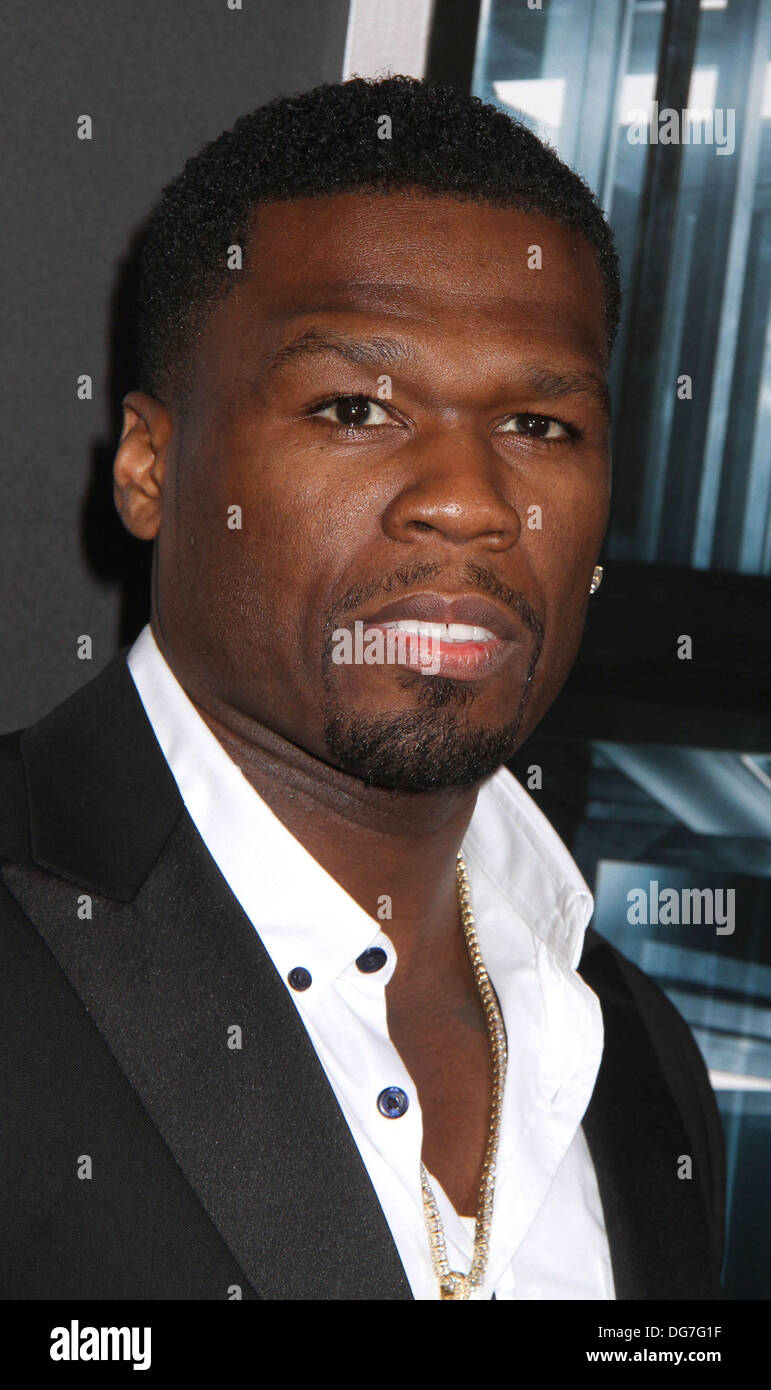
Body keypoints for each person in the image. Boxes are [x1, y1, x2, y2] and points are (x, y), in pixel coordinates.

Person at [0, 76, 724, 1300]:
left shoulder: (639, 1053)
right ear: (150, 467)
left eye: (540, 426)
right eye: (356, 408)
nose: (471, 501)